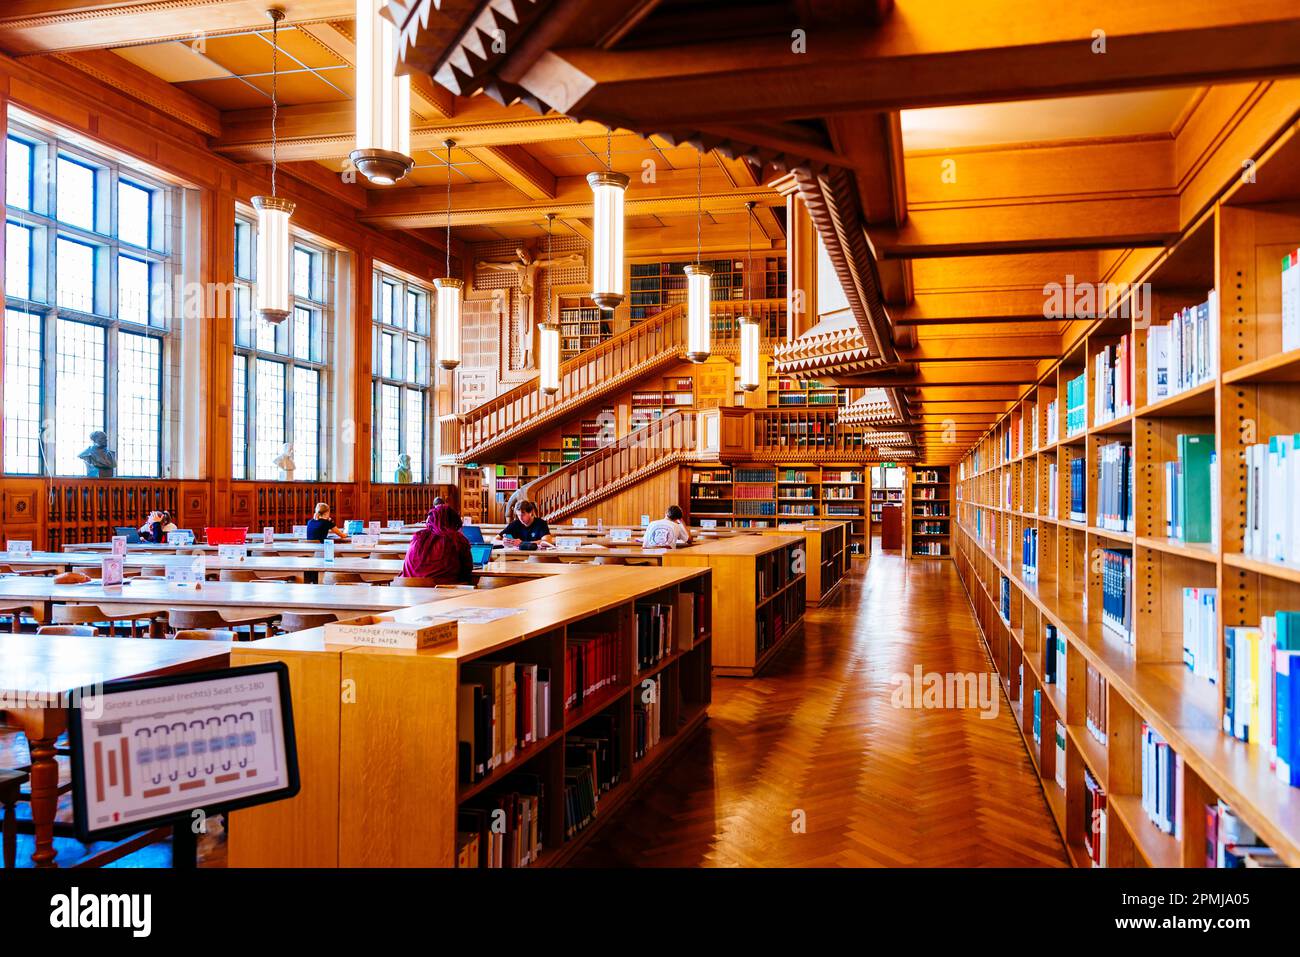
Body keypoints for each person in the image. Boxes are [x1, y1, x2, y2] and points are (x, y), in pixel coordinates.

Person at [401, 504, 473, 584]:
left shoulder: (417, 537)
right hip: (446, 592)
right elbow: (467, 571)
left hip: (410, 590)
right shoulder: (456, 539)